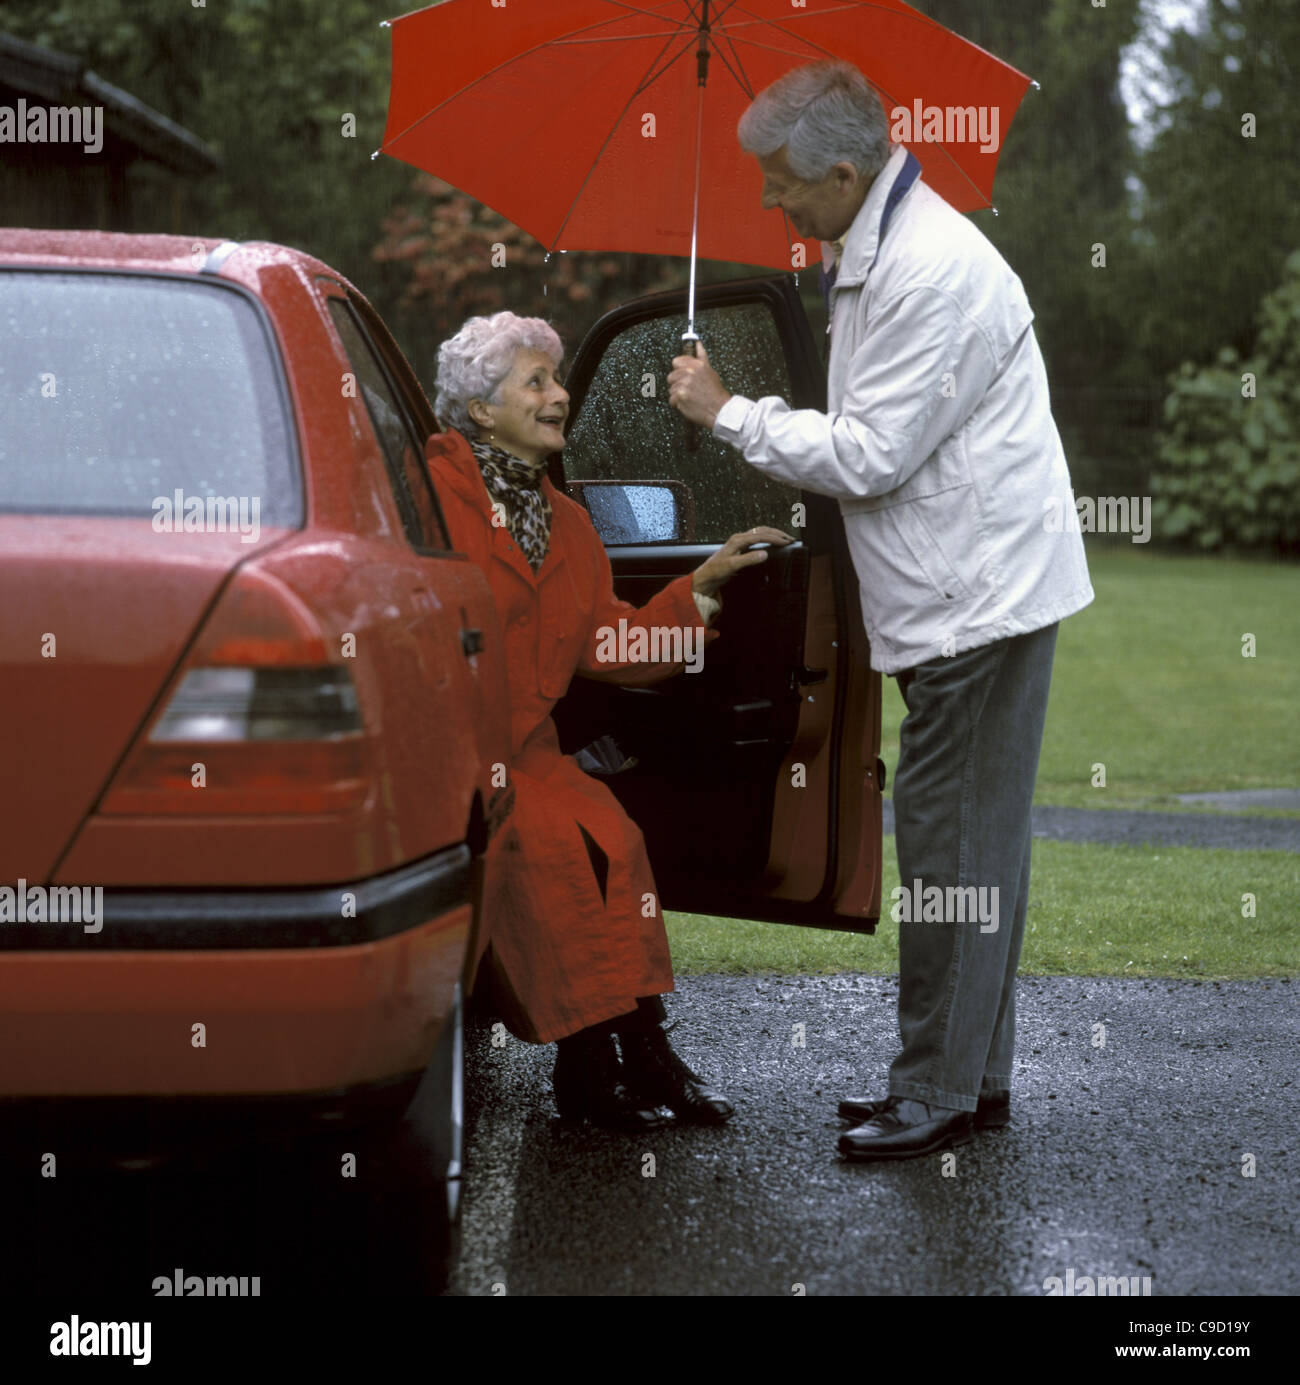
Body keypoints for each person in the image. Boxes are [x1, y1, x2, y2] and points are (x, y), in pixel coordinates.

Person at [667, 60, 1094, 1161]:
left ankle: (933, 1093)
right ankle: (966, 1079)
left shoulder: (930, 269)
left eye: (781, 182)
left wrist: (728, 414)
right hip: (970, 585)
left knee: (951, 853)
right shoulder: (873, 246)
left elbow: (869, 453)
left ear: (846, 171)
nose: (769, 201)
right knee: (973, 848)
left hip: (973, 598)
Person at [427, 310, 792, 1131]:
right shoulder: (428, 498)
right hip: (455, 755)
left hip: (531, 750)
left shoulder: (569, 521)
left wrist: (702, 584)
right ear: (482, 411)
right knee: (557, 852)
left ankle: (632, 1049)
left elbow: (608, 640)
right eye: (538, 382)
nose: (560, 397)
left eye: (555, 381)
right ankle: (593, 1063)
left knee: (617, 842)